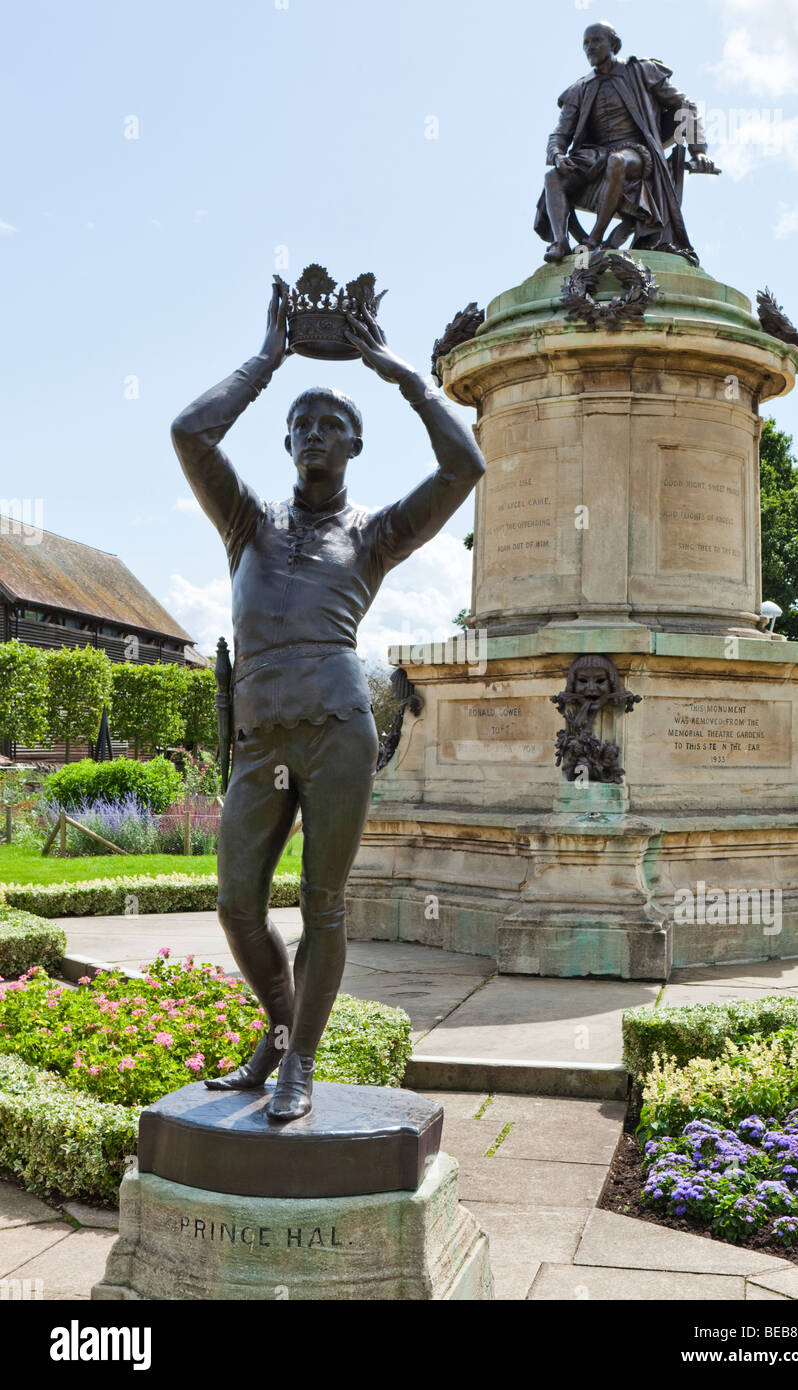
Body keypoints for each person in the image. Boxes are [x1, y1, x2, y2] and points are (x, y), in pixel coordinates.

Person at [170, 285, 485, 1120]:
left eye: (330, 424)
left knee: (324, 903)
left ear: (353, 444)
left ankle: (300, 1063)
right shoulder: (247, 521)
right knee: (238, 903)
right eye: (302, 423)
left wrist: (398, 375)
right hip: (259, 740)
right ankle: (281, 1032)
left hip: (338, 731)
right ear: (286, 439)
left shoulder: (375, 534)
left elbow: (466, 467)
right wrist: (269, 360)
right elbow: (188, 432)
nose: (314, 432)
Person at [534, 21, 716, 262]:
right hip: (595, 155)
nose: (590, 47)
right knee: (552, 178)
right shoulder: (578, 89)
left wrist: (699, 151)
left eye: (596, 41)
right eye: (586, 43)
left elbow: (685, 106)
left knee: (617, 161)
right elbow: (560, 134)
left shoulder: (641, 71)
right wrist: (557, 155)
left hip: (637, 153)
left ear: (613, 44)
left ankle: (594, 240)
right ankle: (560, 243)